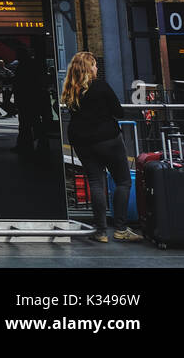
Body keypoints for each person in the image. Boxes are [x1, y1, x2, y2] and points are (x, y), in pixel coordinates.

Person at [61, 52, 141, 243]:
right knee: (123, 181)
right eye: (95, 65)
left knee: (96, 183)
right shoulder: (101, 86)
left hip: (82, 141)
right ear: (89, 68)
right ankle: (120, 229)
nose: (97, 68)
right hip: (108, 139)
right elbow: (118, 112)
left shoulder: (71, 90)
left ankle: (101, 231)